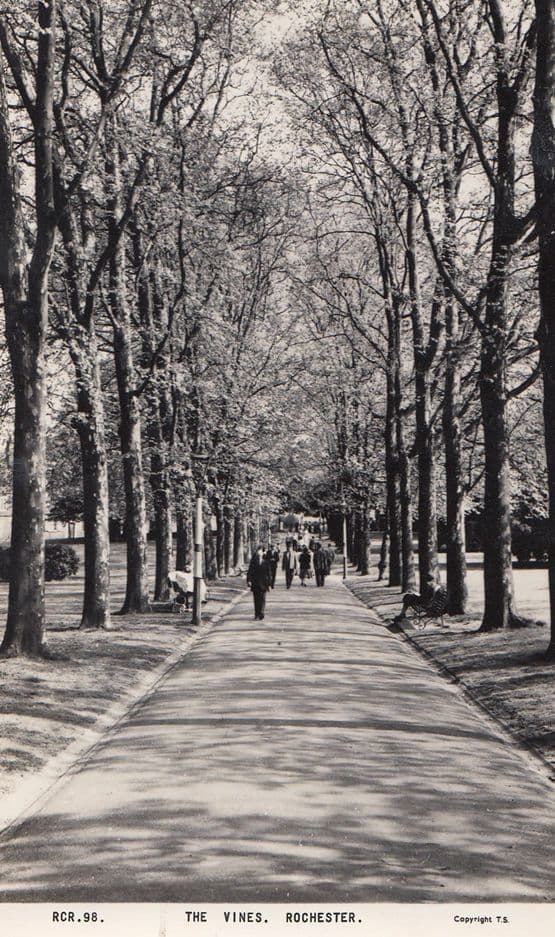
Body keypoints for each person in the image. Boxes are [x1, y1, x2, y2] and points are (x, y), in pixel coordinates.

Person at [247, 545, 272, 620]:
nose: (259, 553)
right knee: (256, 599)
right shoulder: (253, 562)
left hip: (264, 584)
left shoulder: (266, 562)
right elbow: (250, 571)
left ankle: (261, 613)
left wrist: (269, 585)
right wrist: (248, 580)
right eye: (258, 551)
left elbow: (269, 574)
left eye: (260, 551)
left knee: (263, 599)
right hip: (255, 583)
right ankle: (256, 614)